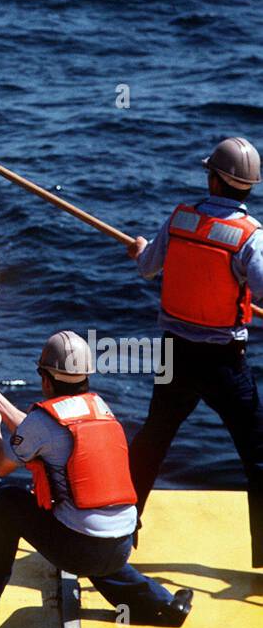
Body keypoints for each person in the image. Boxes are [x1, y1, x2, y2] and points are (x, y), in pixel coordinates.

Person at [0, 331, 193, 628]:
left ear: (45, 379)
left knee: (8, 501)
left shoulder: (45, 422)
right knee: (95, 530)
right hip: (120, 545)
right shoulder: (99, 407)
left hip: (81, 552)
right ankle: (163, 603)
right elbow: (37, 434)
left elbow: (2, 464)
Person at [126, 136, 263, 565]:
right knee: (257, 459)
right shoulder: (250, 236)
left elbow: (149, 267)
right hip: (223, 361)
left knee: (151, 442)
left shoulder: (182, 218)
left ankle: (117, 534)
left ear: (215, 180)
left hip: (174, 356)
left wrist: (141, 249)